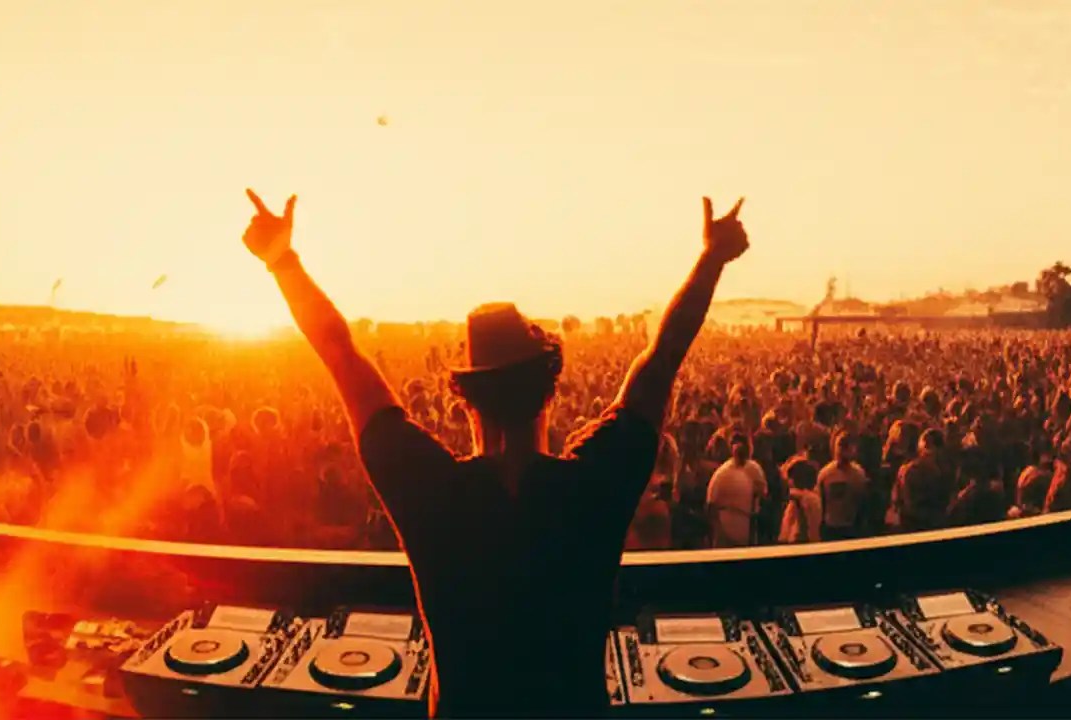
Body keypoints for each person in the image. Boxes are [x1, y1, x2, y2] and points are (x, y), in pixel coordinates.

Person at [240, 188, 750, 717]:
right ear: (550, 392)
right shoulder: (595, 483)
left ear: (464, 402)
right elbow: (662, 356)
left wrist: (283, 261)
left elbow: (341, 355)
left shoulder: (428, 490)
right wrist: (711, 257)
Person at [705, 431, 767, 547]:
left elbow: (762, 493)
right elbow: (711, 503)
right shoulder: (722, 473)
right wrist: (717, 527)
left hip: (746, 524)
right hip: (725, 525)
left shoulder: (754, 470)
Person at [818, 430, 869, 540]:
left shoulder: (859, 474)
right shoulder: (826, 473)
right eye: (841, 445)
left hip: (852, 527)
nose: (843, 450)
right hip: (831, 527)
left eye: (847, 446)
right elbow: (821, 503)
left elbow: (862, 503)